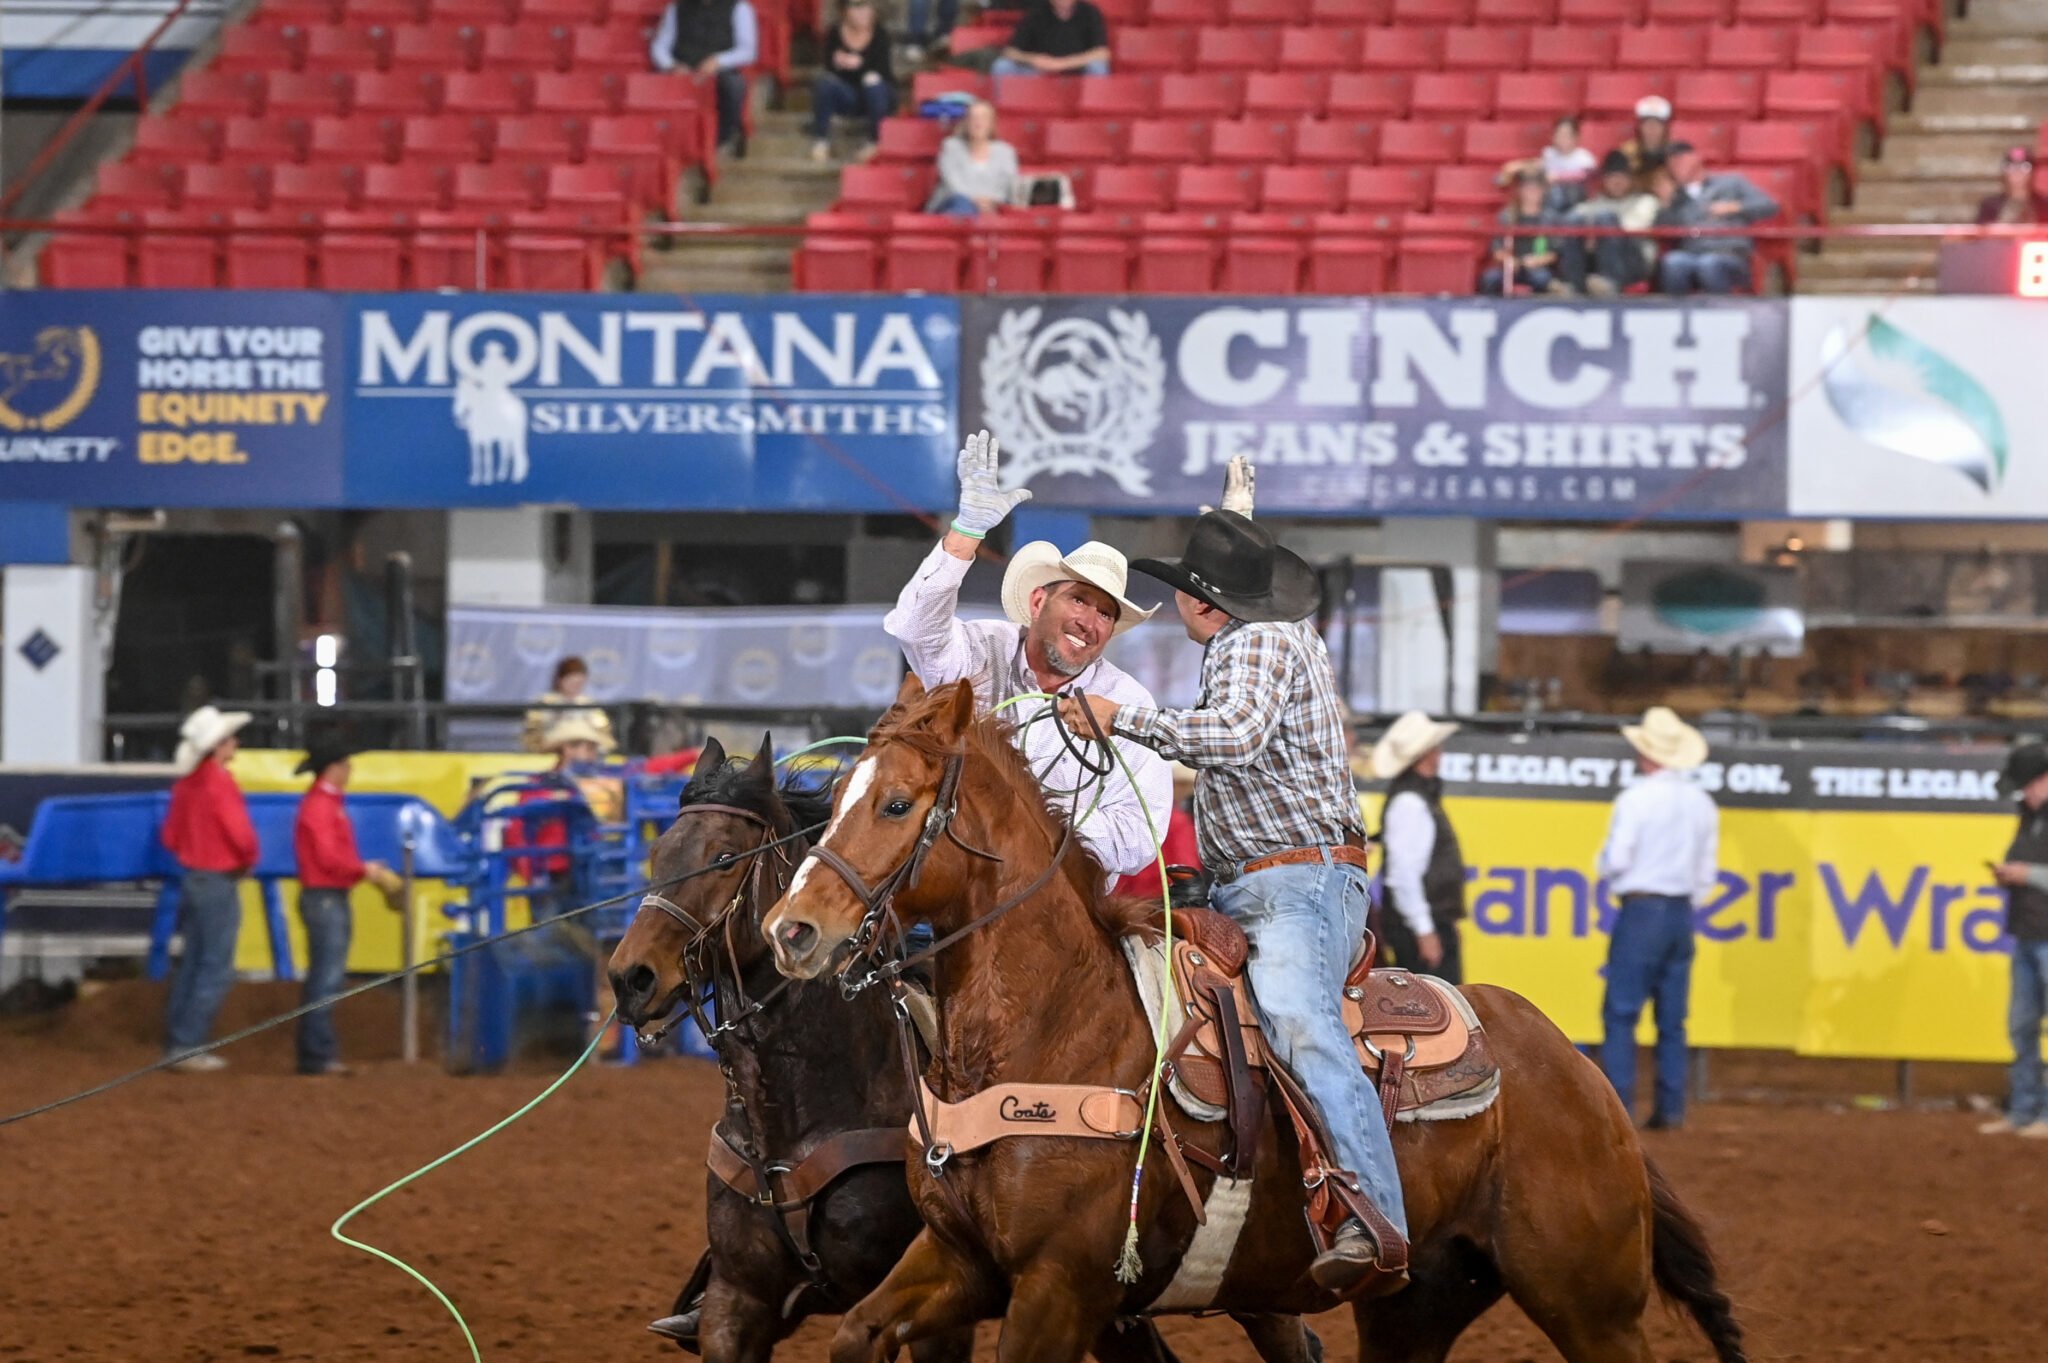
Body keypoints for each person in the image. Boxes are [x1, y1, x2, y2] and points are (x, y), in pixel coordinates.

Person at [1060, 503, 1408, 1297]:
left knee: (1294, 1014)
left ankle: (1375, 1218)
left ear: (1201, 601)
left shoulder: (1254, 639)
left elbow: (1238, 734)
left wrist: (1123, 719)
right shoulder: (1266, 635)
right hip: (1260, 877)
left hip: (1296, 881)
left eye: (1188, 588)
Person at [882, 429, 1172, 883]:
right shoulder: (982, 650)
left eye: (1105, 614)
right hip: (955, 894)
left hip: (1062, 909)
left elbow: (1139, 836)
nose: (1090, 622)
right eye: (1079, 600)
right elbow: (915, 628)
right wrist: (967, 532)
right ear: (1038, 603)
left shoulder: (1126, 703)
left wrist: (1024, 823)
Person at [1596, 706, 1719, 1131]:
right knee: (1672, 1020)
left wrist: (1610, 870)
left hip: (1642, 910)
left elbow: (1617, 858)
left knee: (1620, 1014)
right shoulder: (1702, 802)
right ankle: (1670, 1108)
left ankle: (1618, 1111)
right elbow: (1706, 873)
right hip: (1680, 912)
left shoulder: (1636, 798)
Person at [292, 736, 398, 1078]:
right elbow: (329, 857)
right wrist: (364, 870)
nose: (350, 769)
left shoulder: (320, 804)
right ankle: (317, 1054)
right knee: (327, 977)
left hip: (325, 894)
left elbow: (327, 856)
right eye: (346, 764)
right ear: (334, 768)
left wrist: (361, 870)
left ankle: (317, 1053)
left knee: (325, 975)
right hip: (326, 895)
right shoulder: (322, 807)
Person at [160, 705, 258, 1072]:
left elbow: (169, 835)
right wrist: (247, 858)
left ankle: (177, 1041)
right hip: (218, 879)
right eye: (230, 739)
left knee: (193, 962)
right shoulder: (220, 782)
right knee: (215, 965)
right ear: (217, 746)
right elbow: (241, 834)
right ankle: (188, 1045)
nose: (235, 743)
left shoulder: (187, 784)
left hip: (192, 876)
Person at [1370, 711, 1466, 985]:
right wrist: (1424, 930)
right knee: (1435, 1009)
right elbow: (1403, 875)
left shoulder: (1416, 798)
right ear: (1425, 754)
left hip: (1427, 920)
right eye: (1435, 747)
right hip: (1417, 926)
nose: (1440, 753)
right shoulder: (1410, 803)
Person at [1984, 742, 2048, 1138]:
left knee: (2027, 1026)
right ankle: (2024, 1110)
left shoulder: (2030, 815)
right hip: (2028, 931)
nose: (2021, 793)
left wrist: (2028, 876)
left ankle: (2038, 1114)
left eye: (2024, 785)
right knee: (2021, 1026)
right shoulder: (2028, 815)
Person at [1652, 141, 1778, 295]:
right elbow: (1662, 232)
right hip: (1692, 254)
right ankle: (1675, 315)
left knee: (1709, 263)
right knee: (1673, 261)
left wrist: (1733, 207)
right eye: (1671, 164)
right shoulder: (1676, 197)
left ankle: (1720, 314)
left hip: (1731, 255)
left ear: (1695, 158)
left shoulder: (1732, 182)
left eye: (1679, 161)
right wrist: (1666, 203)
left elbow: (1769, 206)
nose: (1675, 167)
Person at [648, 0, 759, 155]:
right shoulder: (677, 8)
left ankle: (722, 139)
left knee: (733, 85)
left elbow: (747, 51)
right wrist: (672, 66)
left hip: (719, 71)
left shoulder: (739, 7)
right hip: (682, 70)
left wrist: (718, 61)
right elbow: (659, 47)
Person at [1559, 148, 1661, 296]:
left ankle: (1610, 281)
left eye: (1622, 177)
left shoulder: (1645, 201)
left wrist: (1597, 233)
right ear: (1604, 181)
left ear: (1630, 180)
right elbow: (1571, 219)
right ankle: (1572, 285)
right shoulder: (1596, 203)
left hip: (1635, 261)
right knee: (1575, 220)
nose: (1617, 182)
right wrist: (1591, 235)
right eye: (1612, 177)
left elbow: (1633, 228)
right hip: (1599, 257)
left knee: (1605, 218)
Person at [810, 0, 894, 161]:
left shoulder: (880, 34)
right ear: (845, 11)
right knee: (824, 82)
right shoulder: (834, 33)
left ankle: (875, 140)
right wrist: (838, 63)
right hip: (848, 94)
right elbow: (830, 68)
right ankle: (821, 140)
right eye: (857, 7)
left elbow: (883, 71)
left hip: (877, 96)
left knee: (873, 82)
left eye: (867, 7)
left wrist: (859, 64)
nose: (863, 13)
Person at [1479, 168, 1566, 296]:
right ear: (1520, 191)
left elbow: (1555, 252)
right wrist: (1509, 260)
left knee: (1542, 279)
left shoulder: (1550, 217)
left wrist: (1537, 260)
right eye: (1528, 189)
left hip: (1537, 266)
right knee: (1490, 278)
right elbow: (1497, 249)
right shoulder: (1507, 216)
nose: (1532, 193)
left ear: (1543, 191)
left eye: (1536, 189)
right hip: (1511, 266)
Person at [929, 99, 1020, 215]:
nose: (978, 122)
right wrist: (976, 201)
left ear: (992, 123)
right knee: (962, 204)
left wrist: (992, 201)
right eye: (973, 118)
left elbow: (1007, 184)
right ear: (966, 123)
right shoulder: (951, 146)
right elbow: (952, 183)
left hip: (992, 206)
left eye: (983, 118)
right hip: (953, 204)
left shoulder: (1006, 152)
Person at [991, 0, 1110, 78]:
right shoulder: (1036, 12)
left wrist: (1062, 63)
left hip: (1077, 71)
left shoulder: (1090, 12)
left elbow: (1102, 53)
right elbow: (1010, 52)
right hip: (1040, 73)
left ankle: (1091, 111)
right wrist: (1033, 59)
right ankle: (1004, 110)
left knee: (1098, 67)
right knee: (1002, 66)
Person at [522, 655, 615, 754]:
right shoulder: (545, 703)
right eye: (571, 682)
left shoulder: (590, 705)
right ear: (559, 680)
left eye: (579, 683)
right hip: (554, 751)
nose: (575, 687)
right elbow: (533, 737)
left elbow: (605, 736)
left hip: (587, 751)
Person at [1975, 146, 2048, 225]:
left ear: (2033, 172)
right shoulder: (1989, 206)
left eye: (2025, 166)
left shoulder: (2044, 204)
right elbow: (1980, 233)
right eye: (2010, 166)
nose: (2017, 171)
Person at [1618, 94, 1673, 190]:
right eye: (1647, 123)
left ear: (1665, 127)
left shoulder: (1674, 152)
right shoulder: (1627, 151)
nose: (1652, 128)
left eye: (1657, 124)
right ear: (1639, 126)